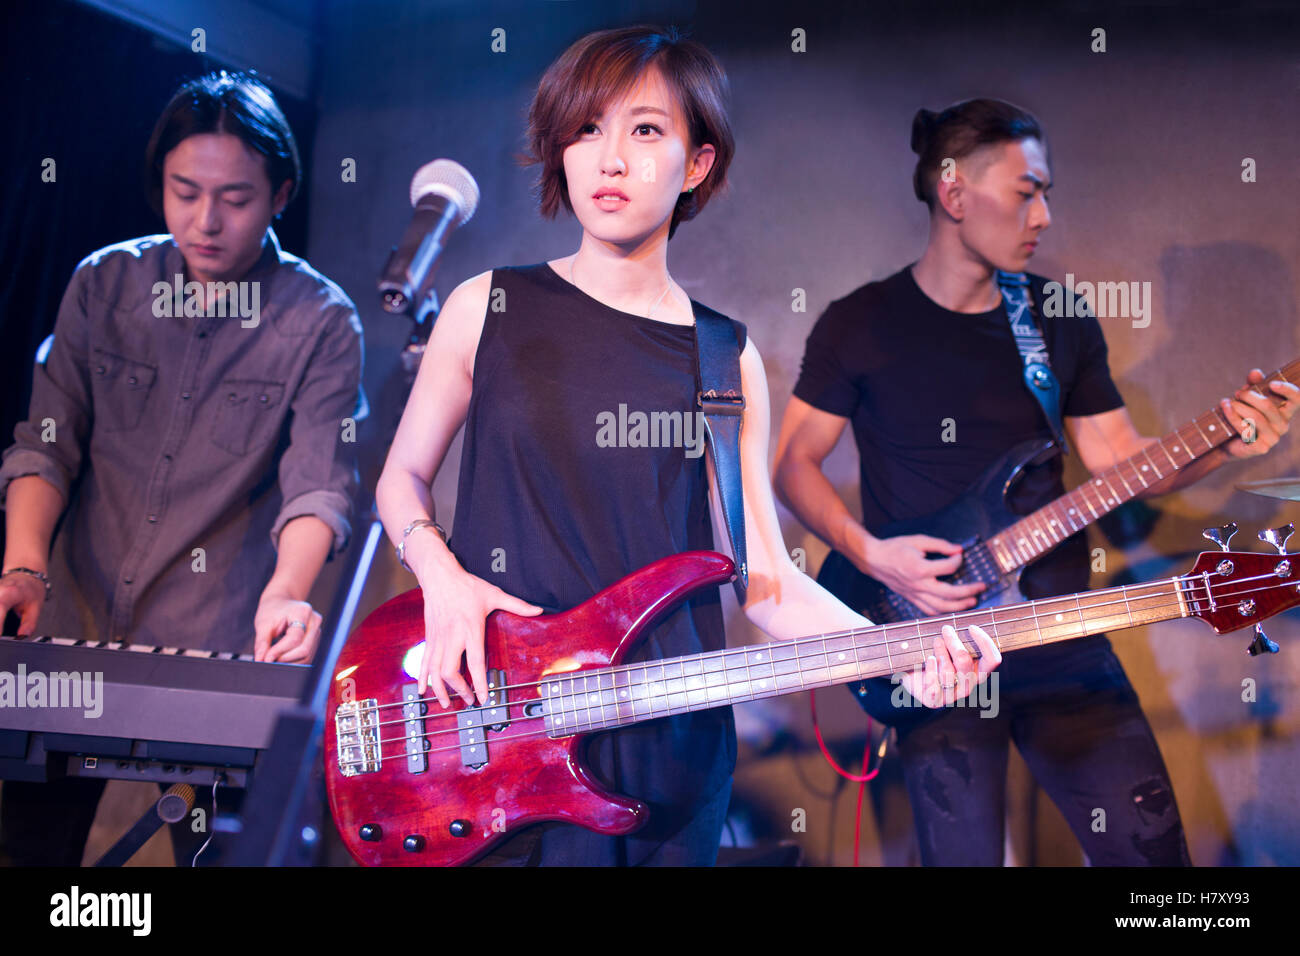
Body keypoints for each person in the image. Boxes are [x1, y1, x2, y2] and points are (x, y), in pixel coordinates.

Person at [374, 26, 1001, 867]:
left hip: (666, 750)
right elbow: (400, 480)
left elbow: (767, 583)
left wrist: (901, 652)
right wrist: (442, 578)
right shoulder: (485, 307)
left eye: (644, 130)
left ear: (697, 164)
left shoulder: (723, 356)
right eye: (586, 129)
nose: (609, 158)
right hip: (499, 732)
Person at [773, 98, 1296, 865]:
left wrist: (1227, 442)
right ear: (955, 194)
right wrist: (871, 553)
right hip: (931, 641)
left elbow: (1122, 459)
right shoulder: (861, 323)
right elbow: (792, 463)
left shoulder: (1055, 316)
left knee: (1157, 866)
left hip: (1059, 631)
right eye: (1028, 192)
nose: (1044, 215)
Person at [0, 71, 366, 866]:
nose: (205, 221)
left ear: (281, 194)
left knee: (220, 858)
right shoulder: (105, 285)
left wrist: (288, 594)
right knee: (33, 854)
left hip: (223, 644)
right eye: (183, 191)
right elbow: (45, 443)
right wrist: (24, 565)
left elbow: (318, 483)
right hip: (74, 630)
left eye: (235, 198)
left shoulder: (320, 319)